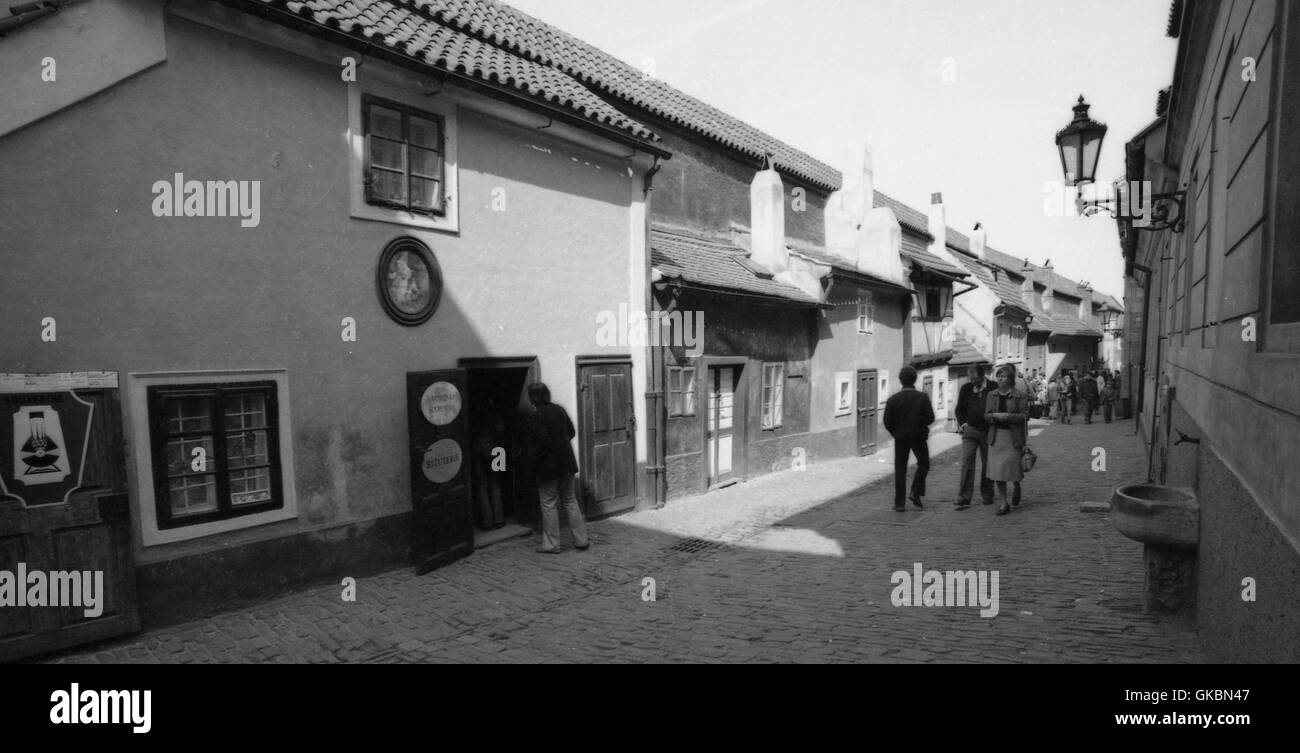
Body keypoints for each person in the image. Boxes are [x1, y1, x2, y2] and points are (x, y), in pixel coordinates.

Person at [525, 382, 589, 553]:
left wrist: (533, 461)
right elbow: (571, 432)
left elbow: (542, 444)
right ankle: (581, 540)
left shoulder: (535, 416)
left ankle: (552, 544)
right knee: (570, 500)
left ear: (533, 398)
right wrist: (561, 445)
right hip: (567, 463)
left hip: (548, 468)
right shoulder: (559, 409)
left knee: (548, 503)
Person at [883, 365, 934, 511]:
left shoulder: (893, 400)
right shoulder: (922, 397)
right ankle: (915, 490)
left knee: (900, 469)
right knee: (924, 463)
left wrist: (896, 432)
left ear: (901, 380)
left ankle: (899, 504)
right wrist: (920, 425)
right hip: (918, 437)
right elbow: (930, 418)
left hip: (901, 438)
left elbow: (887, 422)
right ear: (915, 379)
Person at [985, 364, 1030, 515]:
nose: (1000, 379)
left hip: (1013, 438)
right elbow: (986, 415)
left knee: (1013, 469)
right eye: (998, 376)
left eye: (1003, 377)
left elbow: (1025, 416)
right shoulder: (991, 395)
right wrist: (994, 416)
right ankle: (1004, 503)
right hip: (996, 436)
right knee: (999, 471)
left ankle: (1017, 486)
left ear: (1010, 379)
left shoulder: (1020, 396)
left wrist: (1009, 417)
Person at [953, 364, 995, 509]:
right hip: (970, 430)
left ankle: (988, 494)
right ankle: (964, 496)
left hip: (987, 431)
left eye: (974, 377)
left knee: (988, 463)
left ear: (982, 376)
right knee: (967, 463)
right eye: (970, 377)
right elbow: (959, 409)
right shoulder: (966, 389)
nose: (972, 380)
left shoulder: (992, 387)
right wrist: (963, 424)